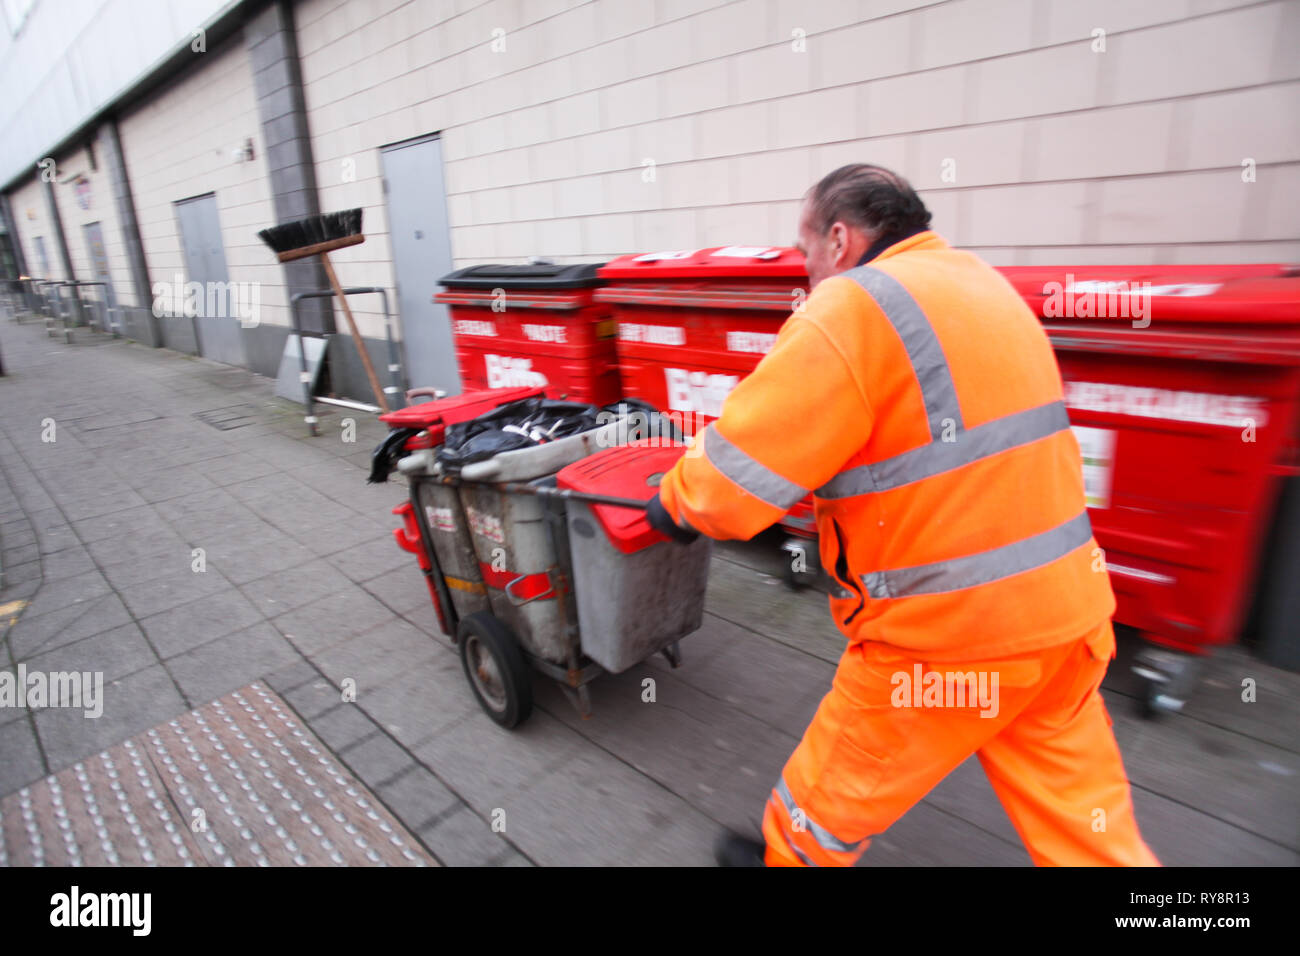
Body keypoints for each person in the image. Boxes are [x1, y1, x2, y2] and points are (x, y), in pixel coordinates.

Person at [645, 164, 1160, 867]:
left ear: (839, 237)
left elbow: (738, 473)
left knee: (824, 801)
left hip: (950, 638)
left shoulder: (854, 307)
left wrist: (675, 503)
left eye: (805, 255)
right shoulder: (985, 284)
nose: (806, 276)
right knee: (1090, 834)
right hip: (1064, 619)